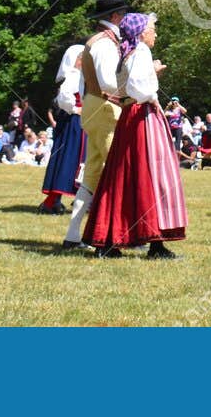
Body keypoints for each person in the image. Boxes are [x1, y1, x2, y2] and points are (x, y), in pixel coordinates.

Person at [82, 13, 188, 259]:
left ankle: (112, 240)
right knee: (151, 175)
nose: (155, 33)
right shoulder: (140, 51)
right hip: (142, 116)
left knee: (124, 175)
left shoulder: (127, 51)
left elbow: (121, 86)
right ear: (141, 32)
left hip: (131, 114)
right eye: (152, 29)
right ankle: (154, 243)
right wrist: (153, 78)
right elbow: (140, 89)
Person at [61, 0, 131, 250]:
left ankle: (72, 235)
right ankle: (112, 236)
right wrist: (134, 86)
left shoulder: (99, 41)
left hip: (96, 106)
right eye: (123, 14)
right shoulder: (104, 44)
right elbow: (108, 83)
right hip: (105, 107)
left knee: (92, 173)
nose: (125, 20)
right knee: (117, 171)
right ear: (114, 17)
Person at [39, 33, 88, 214]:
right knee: (69, 158)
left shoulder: (80, 77)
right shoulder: (72, 76)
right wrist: (76, 109)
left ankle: (60, 200)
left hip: (78, 122)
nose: (84, 62)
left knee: (78, 159)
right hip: (73, 123)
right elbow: (65, 100)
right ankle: (52, 200)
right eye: (82, 59)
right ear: (75, 61)